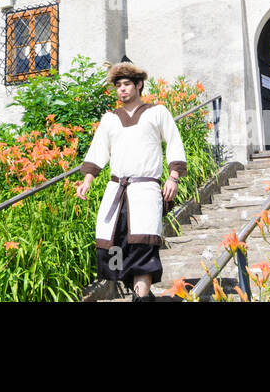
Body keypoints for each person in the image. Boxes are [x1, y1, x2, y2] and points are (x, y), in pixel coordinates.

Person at [75, 61, 187, 301]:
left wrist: (173, 177)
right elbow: (98, 151)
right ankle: (141, 294)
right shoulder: (109, 119)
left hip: (145, 191)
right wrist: (87, 179)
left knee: (143, 247)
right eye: (118, 86)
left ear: (138, 85)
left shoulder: (157, 113)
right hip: (117, 191)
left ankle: (141, 297)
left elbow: (174, 143)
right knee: (114, 249)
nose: (122, 90)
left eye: (127, 84)